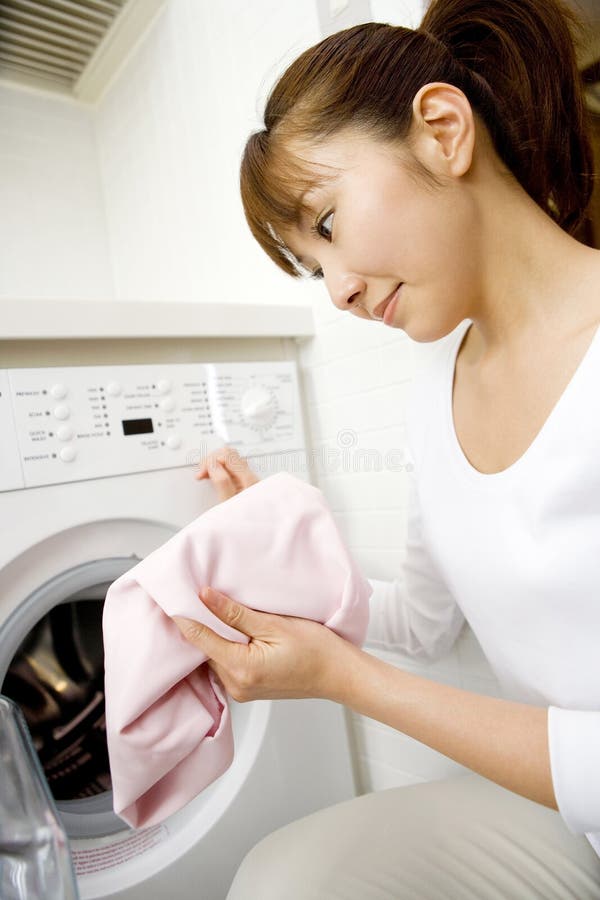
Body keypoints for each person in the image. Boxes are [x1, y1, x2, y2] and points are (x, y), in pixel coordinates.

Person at [172, 0, 600, 895]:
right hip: (581, 824)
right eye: (311, 264)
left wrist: (346, 681)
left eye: (326, 225)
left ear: (443, 131)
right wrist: (269, 545)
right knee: (279, 878)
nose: (337, 291)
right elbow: (423, 620)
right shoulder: (438, 384)